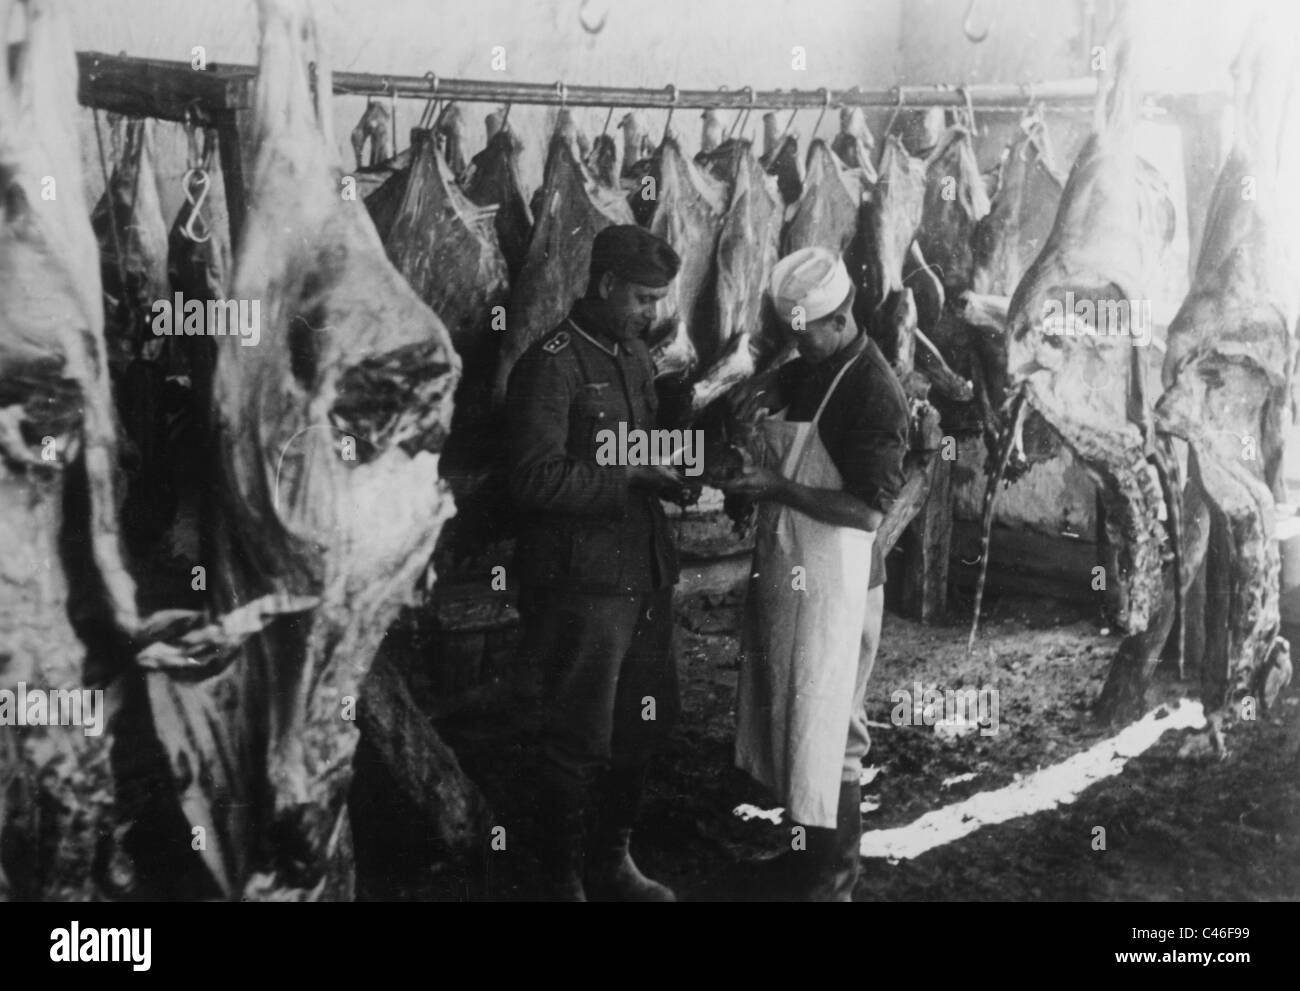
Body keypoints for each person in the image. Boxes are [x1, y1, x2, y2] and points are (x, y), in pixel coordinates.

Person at [720, 246, 909, 902]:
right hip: (797, 564)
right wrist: (761, 397)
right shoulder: (816, 361)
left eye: (805, 335)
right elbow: (790, 396)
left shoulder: (873, 389)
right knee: (794, 720)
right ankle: (802, 858)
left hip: (845, 580)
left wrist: (772, 482)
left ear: (839, 319)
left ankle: (834, 877)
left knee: (834, 728)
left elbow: (865, 508)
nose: (797, 347)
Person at [505, 224, 688, 902]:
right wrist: (629, 476)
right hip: (582, 583)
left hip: (644, 571)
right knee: (576, 738)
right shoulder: (551, 363)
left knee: (641, 725)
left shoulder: (632, 353)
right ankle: (561, 878)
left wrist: (676, 471)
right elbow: (531, 478)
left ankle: (614, 861)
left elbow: (638, 446)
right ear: (606, 285)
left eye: (659, 299)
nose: (653, 313)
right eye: (643, 298)